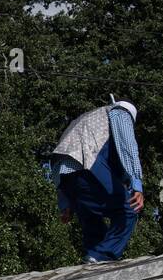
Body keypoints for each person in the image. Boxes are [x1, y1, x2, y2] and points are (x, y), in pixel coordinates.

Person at [52, 99, 144, 262]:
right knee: (128, 210)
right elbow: (127, 146)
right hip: (87, 168)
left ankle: (92, 260)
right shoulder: (120, 113)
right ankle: (102, 256)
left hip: (66, 178)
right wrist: (137, 183)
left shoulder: (84, 118)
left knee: (91, 219)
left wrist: (65, 203)